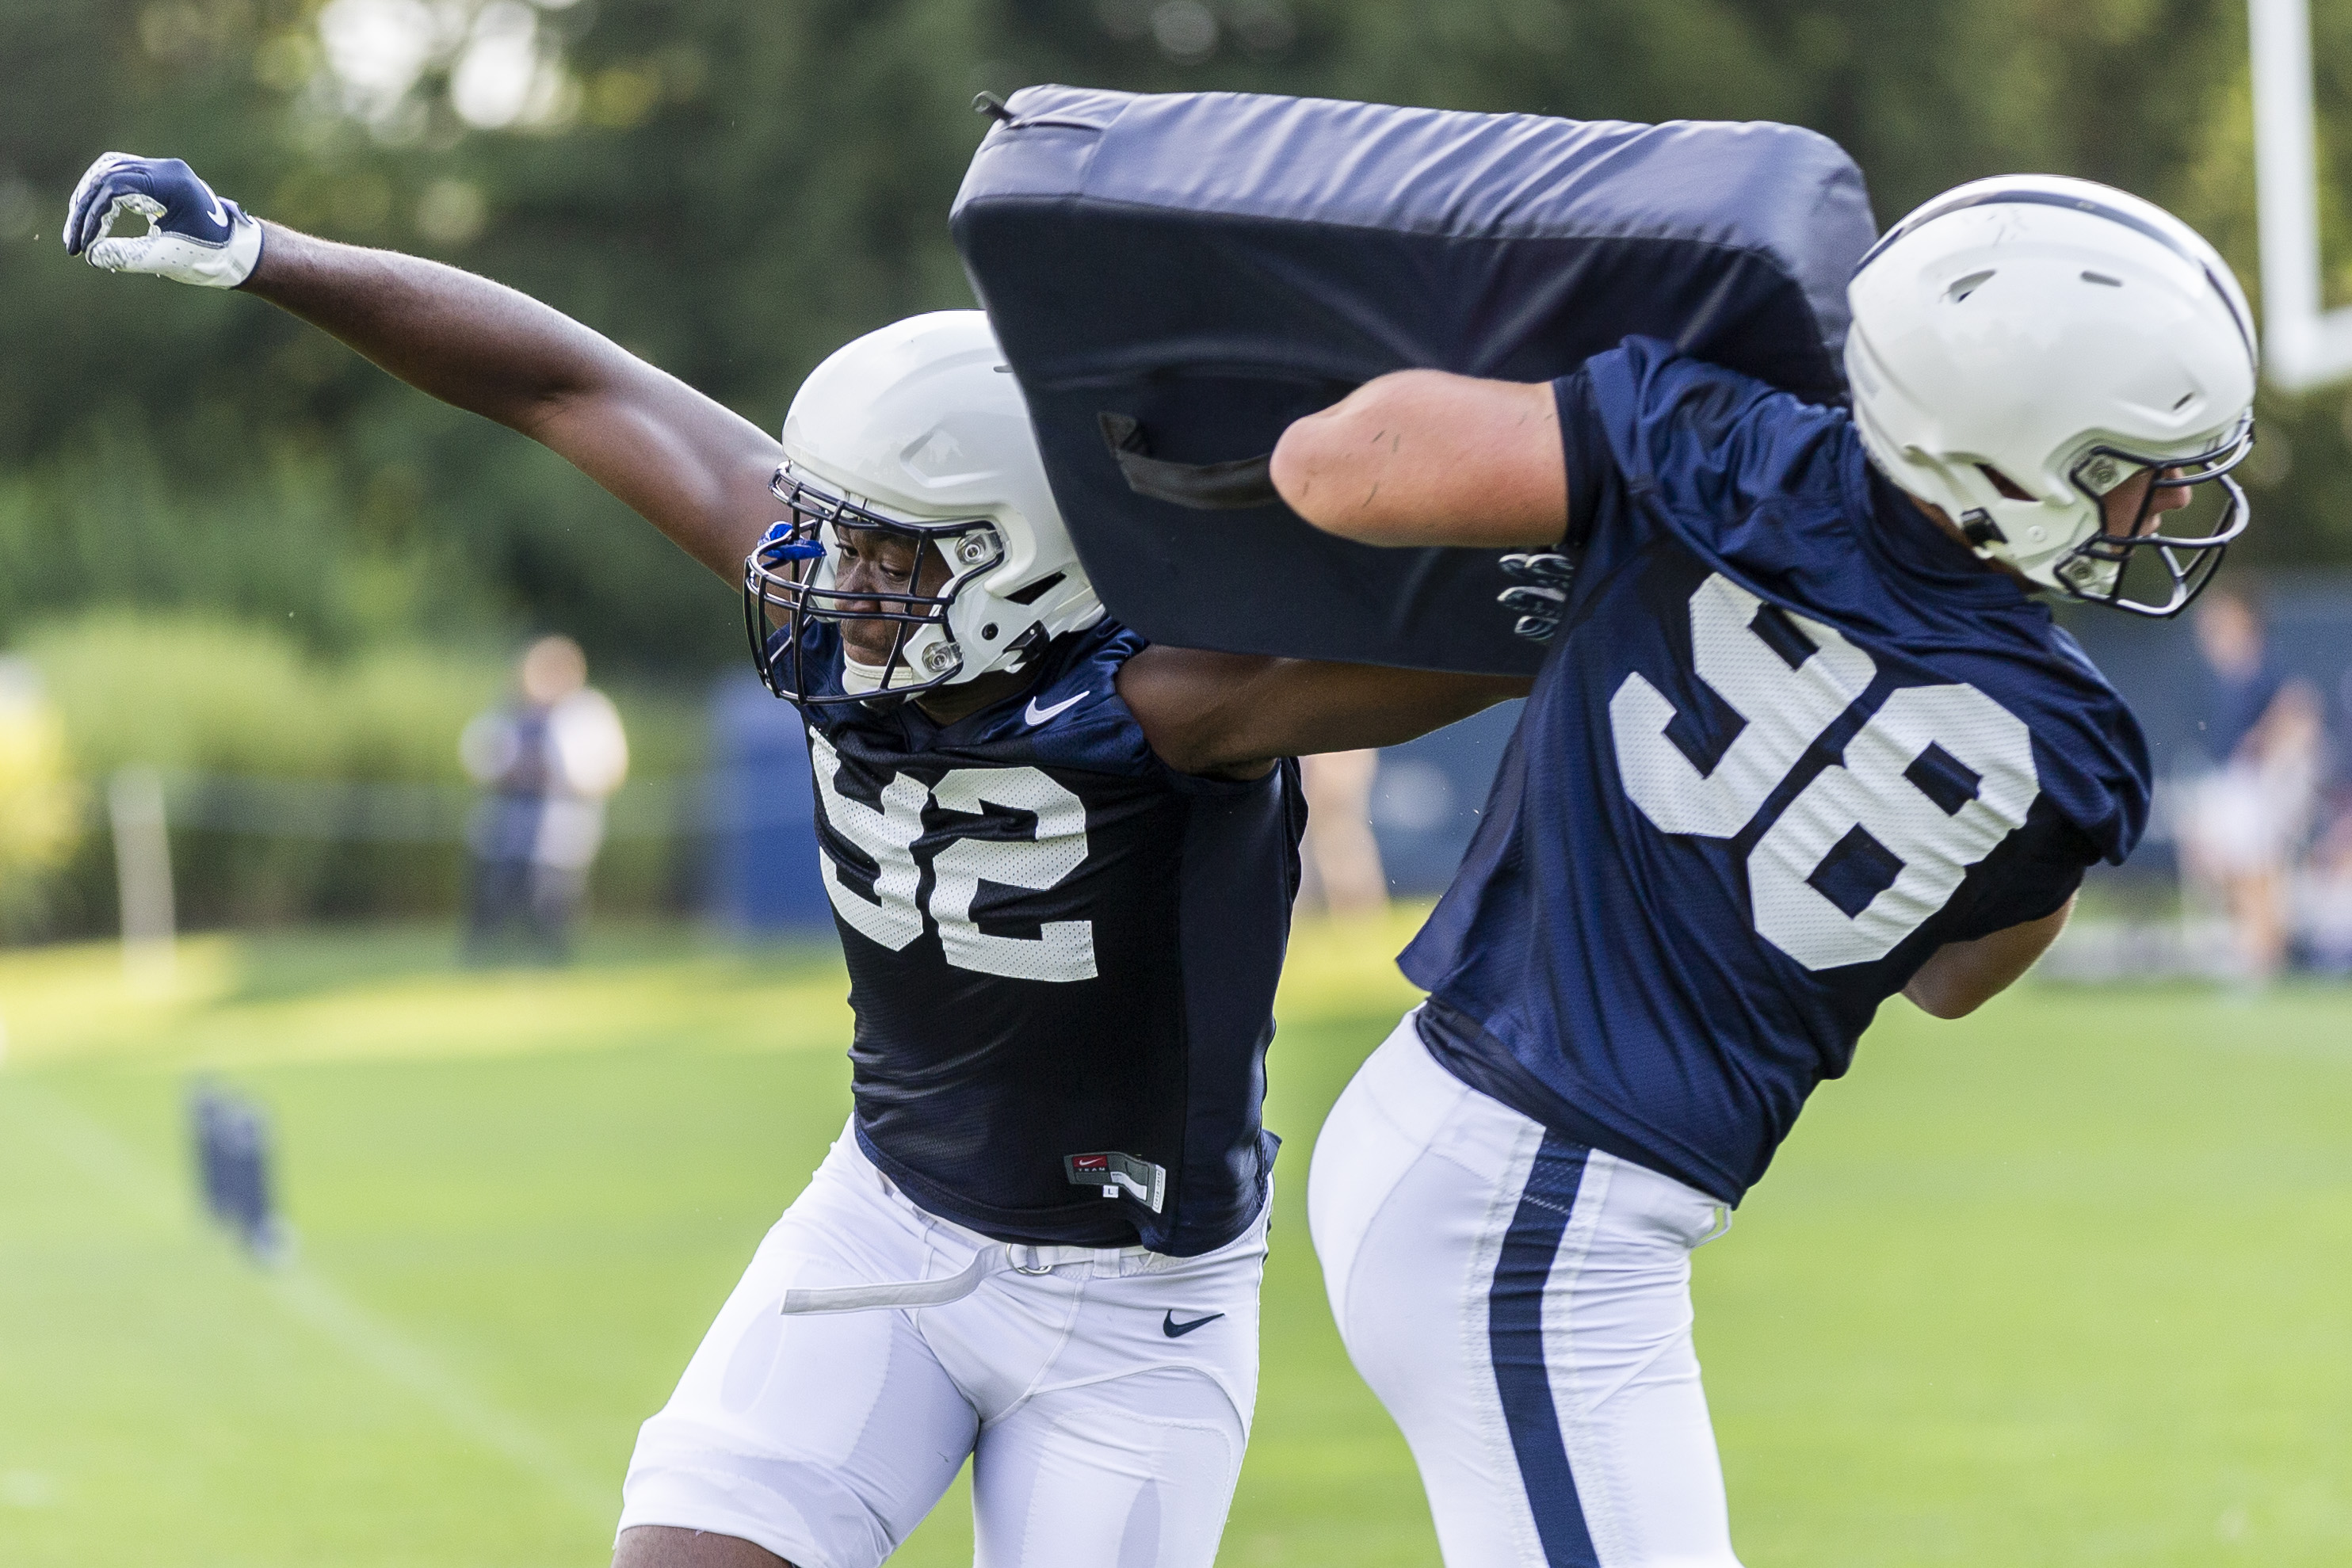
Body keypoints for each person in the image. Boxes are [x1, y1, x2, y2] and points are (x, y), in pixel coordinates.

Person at [62, 151, 1526, 1568]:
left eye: (888, 554)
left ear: (1018, 558)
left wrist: (1610, 471)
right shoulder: (852, 613)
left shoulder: (1185, 701)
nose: (834, 579)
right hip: (883, 1217)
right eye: (835, 533)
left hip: (1135, 1310)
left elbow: (1508, 626)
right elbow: (564, 382)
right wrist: (261, 251)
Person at [1269, 174, 2256, 1566]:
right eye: (2134, 463)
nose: (2170, 499)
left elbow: (1325, 468)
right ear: (2015, 460)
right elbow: (1952, 981)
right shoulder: (2072, 742)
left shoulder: (1717, 448)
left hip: (1508, 1157)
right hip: (1533, 1202)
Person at [2178, 586, 2321, 983]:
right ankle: (2254, 949)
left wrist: (2267, 750)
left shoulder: (2262, 668)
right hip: (2230, 782)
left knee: (2257, 872)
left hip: (2254, 785)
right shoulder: (2225, 676)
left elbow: (2300, 710)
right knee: (2229, 869)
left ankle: (2263, 957)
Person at [459, 633, 631, 963]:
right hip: (507, 823)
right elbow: (479, 759)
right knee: (495, 896)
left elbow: (609, 768)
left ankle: (550, 962)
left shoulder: (589, 713)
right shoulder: (510, 711)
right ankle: (489, 958)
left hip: (563, 824)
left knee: (554, 902)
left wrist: (566, 777)